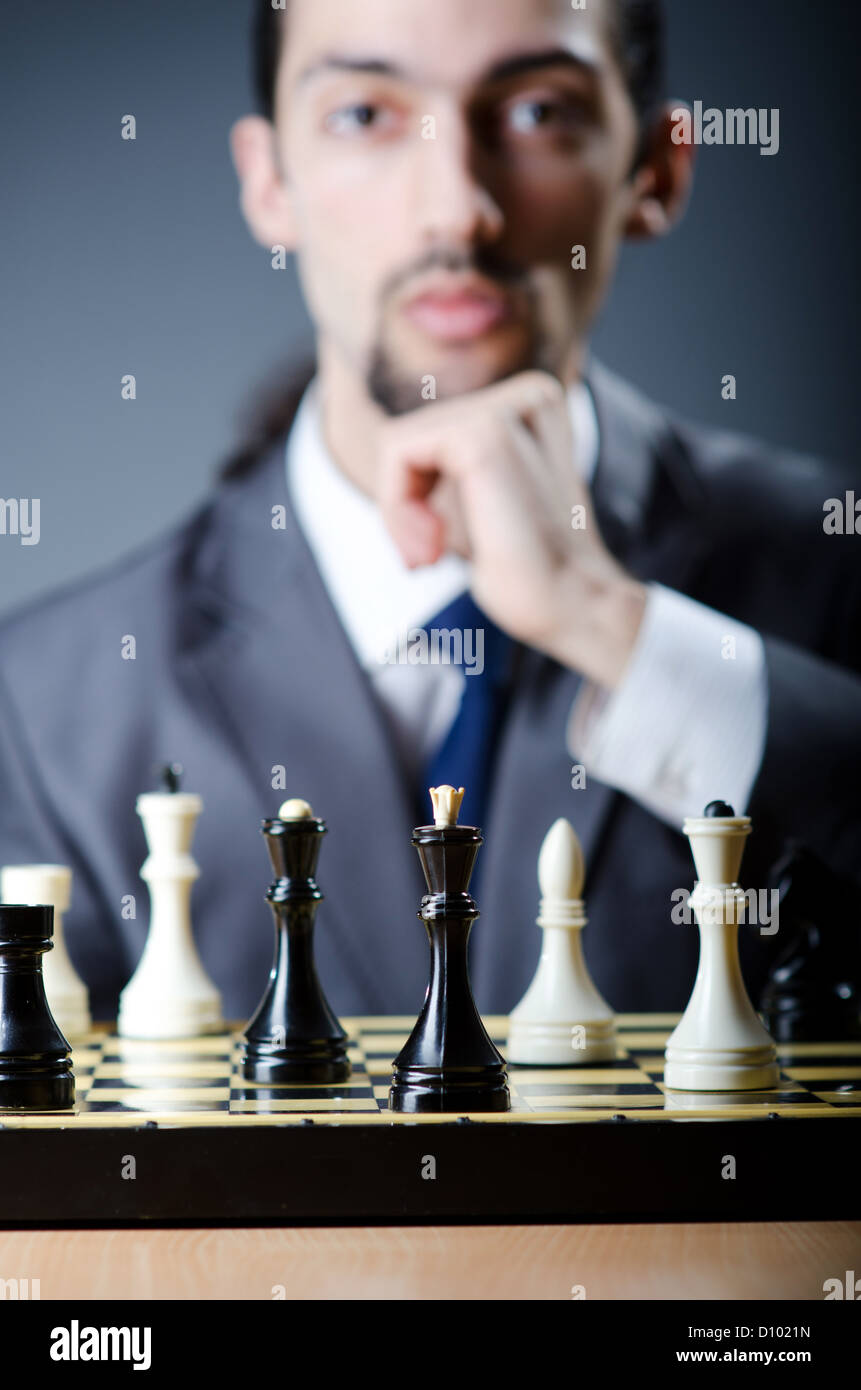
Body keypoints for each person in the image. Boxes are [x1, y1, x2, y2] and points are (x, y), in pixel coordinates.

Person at [0, 0, 858, 1023]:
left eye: (539, 110)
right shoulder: (43, 708)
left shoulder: (834, 570)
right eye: (365, 113)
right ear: (270, 180)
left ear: (656, 169)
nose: (455, 209)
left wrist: (616, 628)